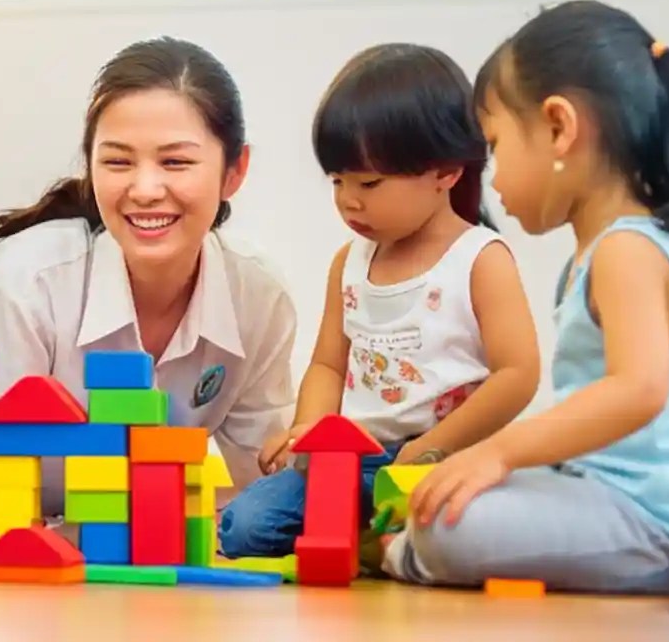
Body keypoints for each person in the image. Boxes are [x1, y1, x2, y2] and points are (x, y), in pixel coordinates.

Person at [0, 37, 298, 515]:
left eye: (175, 162)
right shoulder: (30, 279)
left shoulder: (257, 299)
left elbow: (262, 488)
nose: (145, 189)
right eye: (117, 161)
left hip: (0, 505)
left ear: (235, 170)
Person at [385, 0, 669, 594]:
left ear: (559, 127)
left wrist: (500, 451)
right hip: (609, 498)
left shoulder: (627, 252)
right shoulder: (607, 250)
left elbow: (639, 388)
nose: (493, 178)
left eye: (496, 146)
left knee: (452, 524)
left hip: (665, 526)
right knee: (443, 494)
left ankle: (413, 556)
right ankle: (414, 543)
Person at [217, 43, 541, 561]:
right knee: (242, 528)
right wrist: (311, 428)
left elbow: (518, 374)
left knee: (464, 537)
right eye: (337, 181)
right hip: (350, 459)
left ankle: (376, 540)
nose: (348, 199)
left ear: (446, 172)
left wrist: (428, 451)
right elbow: (327, 362)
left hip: (443, 453)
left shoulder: (480, 258)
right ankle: (374, 540)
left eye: (368, 182)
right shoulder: (349, 262)